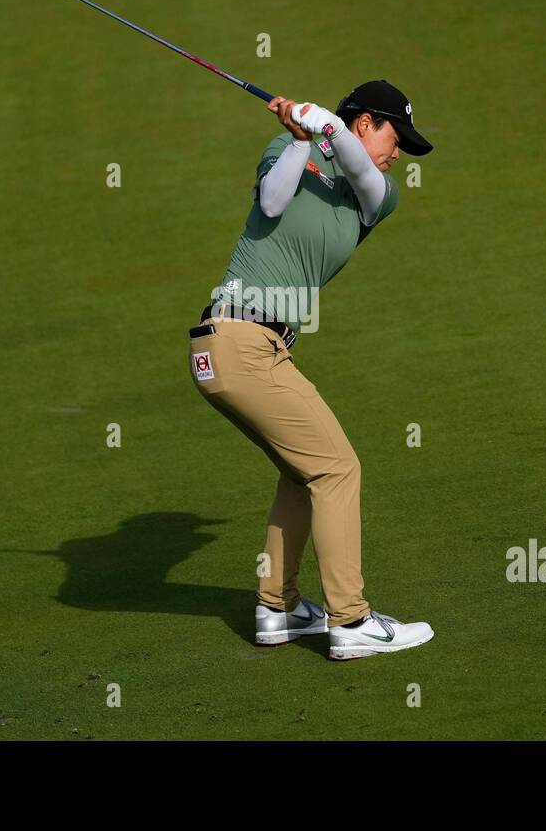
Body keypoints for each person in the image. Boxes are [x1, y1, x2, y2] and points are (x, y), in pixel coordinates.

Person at [187, 79, 436, 661]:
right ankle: (350, 619)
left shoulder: (375, 196)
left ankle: (280, 608)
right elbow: (272, 202)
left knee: (304, 472)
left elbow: (356, 164)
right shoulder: (286, 151)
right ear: (366, 121)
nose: (397, 153)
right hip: (236, 341)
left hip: (258, 349)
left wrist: (322, 123)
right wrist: (302, 137)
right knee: (337, 470)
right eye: (394, 137)